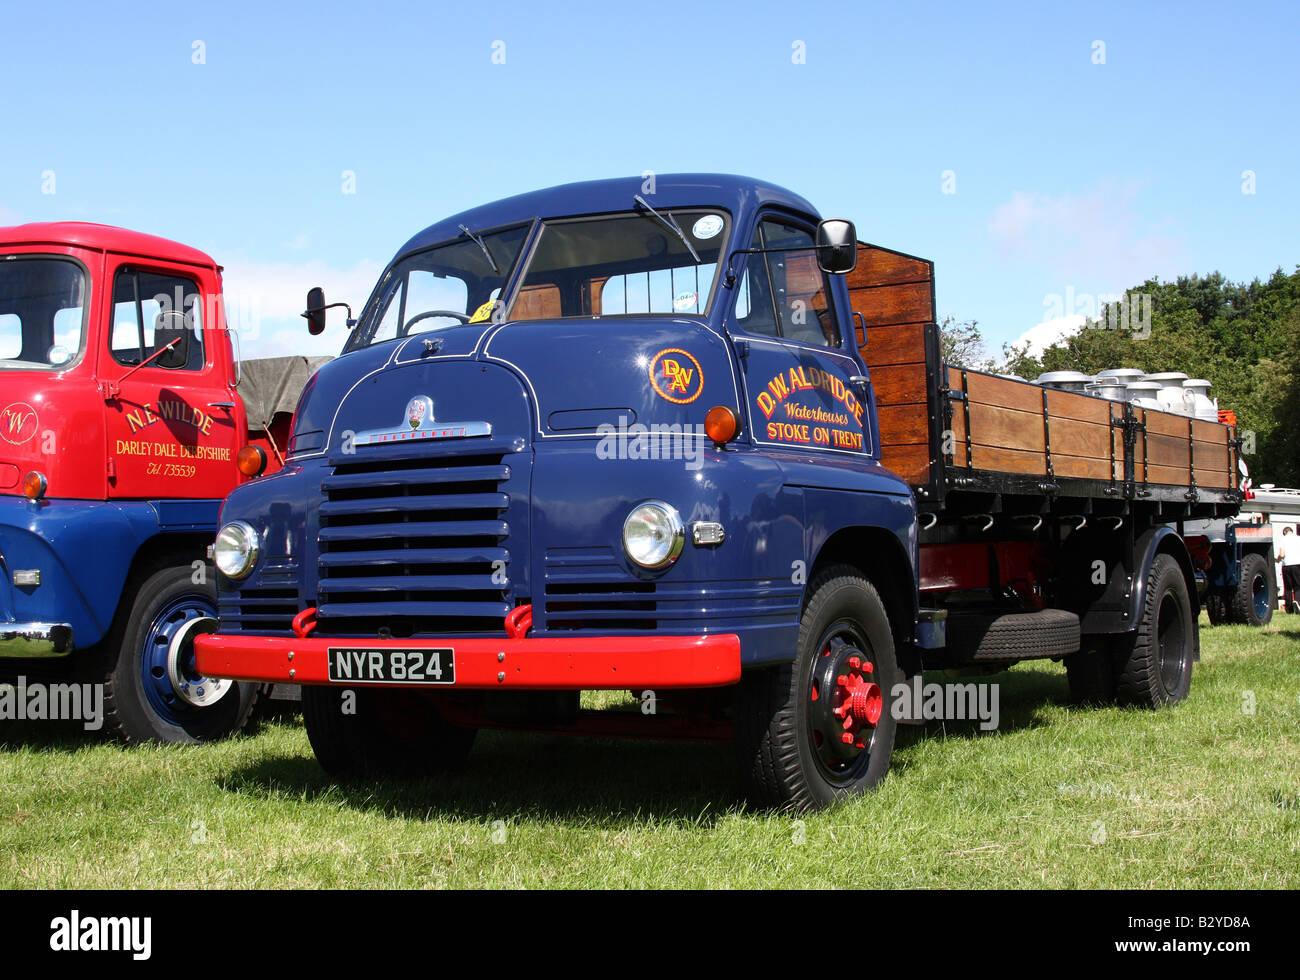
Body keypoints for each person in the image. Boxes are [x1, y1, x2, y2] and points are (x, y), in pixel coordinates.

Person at [1280, 527, 1300, 615]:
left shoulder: (1283, 540)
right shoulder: (1298, 538)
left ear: (1284, 532)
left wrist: (1277, 560)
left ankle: (1289, 609)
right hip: (1297, 564)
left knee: (1287, 587)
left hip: (1286, 565)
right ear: (1291, 531)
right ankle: (1298, 602)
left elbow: (1282, 554)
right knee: (1298, 586)